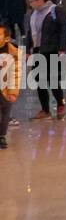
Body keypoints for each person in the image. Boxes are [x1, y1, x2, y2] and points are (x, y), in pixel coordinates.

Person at [25, 0, 66, 120]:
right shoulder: (33, 14)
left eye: (32, 1)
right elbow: (30, 32)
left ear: (40, 0)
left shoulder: (55, 10)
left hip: (53, 50)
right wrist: (28, 50)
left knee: (52, 79)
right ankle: (45, 109)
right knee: (39, 79)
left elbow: (65, 29)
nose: (30, 4)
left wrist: (62, 48)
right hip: (38, 50)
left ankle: (60, 104)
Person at [0, 20, 19, 149]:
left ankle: (2, 136)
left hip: (5, 88)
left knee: (5, 112)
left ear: (7, 38)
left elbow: (16, 74)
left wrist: (13, 91)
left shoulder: (13, 53)